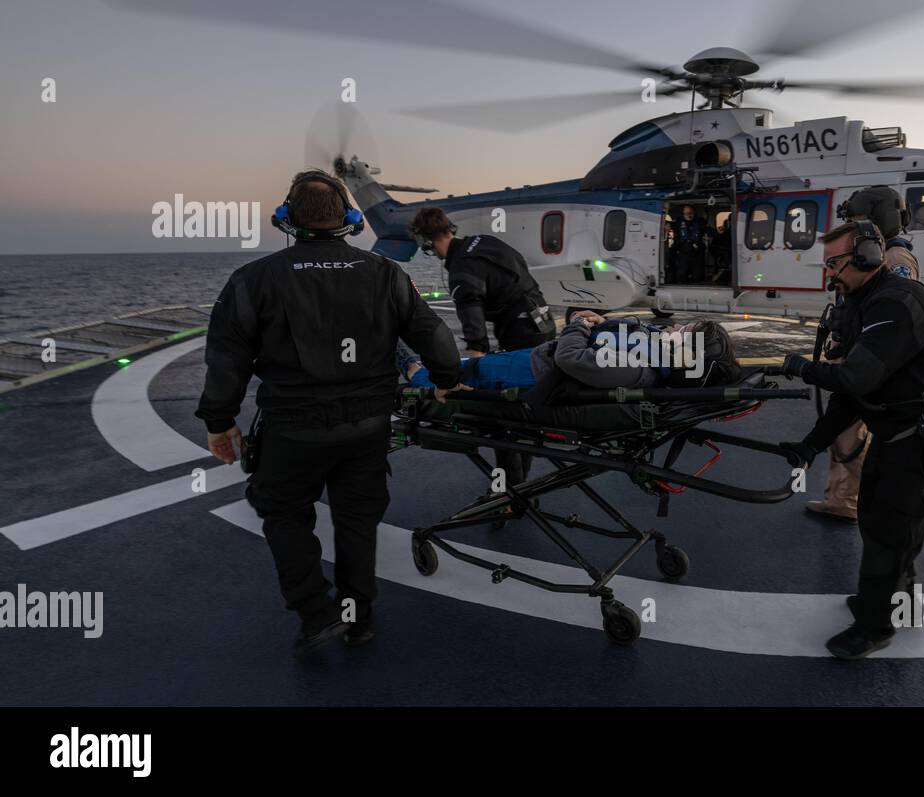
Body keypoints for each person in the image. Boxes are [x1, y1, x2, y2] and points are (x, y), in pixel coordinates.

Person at [196, 170, 463, 654]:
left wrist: (219, 421)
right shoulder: (385, 274)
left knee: (282, 513)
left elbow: (225, 359)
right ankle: (358, 617)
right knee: (356, 522)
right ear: (352, 220)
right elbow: (434, 334)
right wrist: (446, 380)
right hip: (365, 427)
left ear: (286, 219)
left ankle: (315, 613)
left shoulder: (253, 279)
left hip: (291, 430)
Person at [779, 221, 924, 660]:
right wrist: (811, 444)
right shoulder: (865, 301)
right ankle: (895, 604)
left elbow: (855, 376)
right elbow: (854, 394)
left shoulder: (898, 302)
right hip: (898, 428)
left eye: (836, 263)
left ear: (866, 255)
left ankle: (874, 627)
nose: (831, 274)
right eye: (826, 264)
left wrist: (801, 368)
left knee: (892, 529)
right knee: (879, 520)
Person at [408, 207, 557, 488]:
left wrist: (473, 369)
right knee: (528, 406)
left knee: (506, 413)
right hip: (544, 324)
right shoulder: (485, 242)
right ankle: (517, 483)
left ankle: (509, 492)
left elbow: (473, 323)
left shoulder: (462, 270)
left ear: (426, 243)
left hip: (521, 333)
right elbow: (519, 268)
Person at [807, 188, 919, 522]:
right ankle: (841, 499)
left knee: (850, 437)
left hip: (869, 364)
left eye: (859, 222)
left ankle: (862, 501)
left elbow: (892, 316)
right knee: (845, 435)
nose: (856, 230)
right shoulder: (880, 255)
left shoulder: (895, 261)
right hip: (859, 358)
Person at [396, 312, 740, 395]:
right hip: (539, 359)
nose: (675, 328)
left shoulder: (639, 369)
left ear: (684, 352)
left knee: (461, 369)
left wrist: (577, 324)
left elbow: (570, 359)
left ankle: (408, 367)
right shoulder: (651, 356)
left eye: (684, 333)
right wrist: (602, 322)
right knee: (466, 365)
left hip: (533, 370)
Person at [669, 206, 709, 284]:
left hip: (697, 254)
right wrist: (667, 225)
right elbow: (668, 224)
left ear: (694, 213)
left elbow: (709, 230)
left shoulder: (700, 223)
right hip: (683, 254)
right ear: (683, 214)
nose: (689, 215)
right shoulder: (678, 223)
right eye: (687, 213)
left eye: (691, 213)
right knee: (681, 274)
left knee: (698, 275)